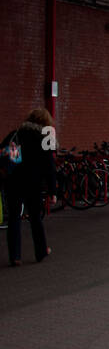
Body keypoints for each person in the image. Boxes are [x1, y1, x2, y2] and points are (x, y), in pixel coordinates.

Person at [2, 108, 57, 266]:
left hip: (13, 182)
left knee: (14, 218)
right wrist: (52, 190)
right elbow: (49, 166)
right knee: (35, 218)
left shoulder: (16, 134)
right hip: (33, 184)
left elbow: (7, 156)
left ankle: (15, 256)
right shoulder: (45, 137)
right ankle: (40, 251)